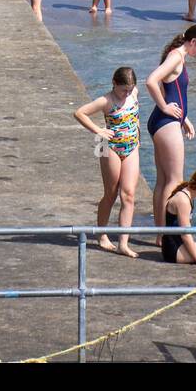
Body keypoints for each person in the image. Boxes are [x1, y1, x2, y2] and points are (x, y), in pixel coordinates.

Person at [146, 25, 196, 235]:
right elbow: (151, 81)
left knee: (163, 180)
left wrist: (185, 118)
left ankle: (160, 233)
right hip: (166, 123)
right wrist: (165, 107)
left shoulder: (176, 56)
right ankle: (167, 235)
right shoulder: (176, 57)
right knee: (175, 181)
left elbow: (172, 90)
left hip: (164, 122)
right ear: (193, 42)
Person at [72, 67, 141, 257]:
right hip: (107, 146)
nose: (127, 93)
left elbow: (134, 117)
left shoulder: (134, 93)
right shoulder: (106, 100)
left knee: (128, 194)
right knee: (110, 194)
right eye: (123, 90)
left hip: (132, 146)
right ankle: (102, 235)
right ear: (114, 83)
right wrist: (98, 131)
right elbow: (79, 113)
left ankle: (123, 243)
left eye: (130, 89)